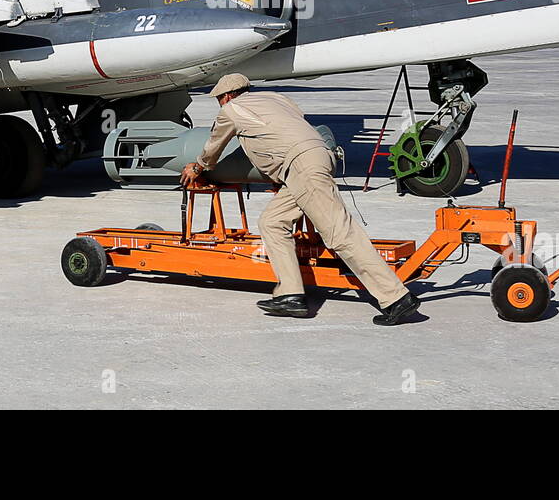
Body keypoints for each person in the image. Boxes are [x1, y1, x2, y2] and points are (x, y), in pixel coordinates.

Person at [180, 74, 422, 326]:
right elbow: (284, 130)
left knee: (340, 234)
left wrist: (198, 167)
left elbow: (214, 145)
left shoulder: (231, 109)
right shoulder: (278, 99)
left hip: (302, 167)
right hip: (310, 161)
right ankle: (291, 295)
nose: (220, 103)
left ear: (227, 95)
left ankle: (397, 298)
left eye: (219, 99)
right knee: (272, 222)